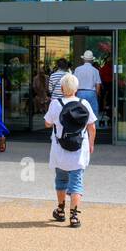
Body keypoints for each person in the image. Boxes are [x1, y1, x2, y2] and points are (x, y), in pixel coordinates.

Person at [45, 73, 96, 228]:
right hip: (79, 149)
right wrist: (91, 144)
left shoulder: (55, 103)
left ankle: (60, 210)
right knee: (76, 183)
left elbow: (47, 124)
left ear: (61, 88)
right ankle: (74, 216)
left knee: (61, 180)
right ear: (77, 88)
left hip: (60, 149)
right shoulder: (84, 103)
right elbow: (92, 127)